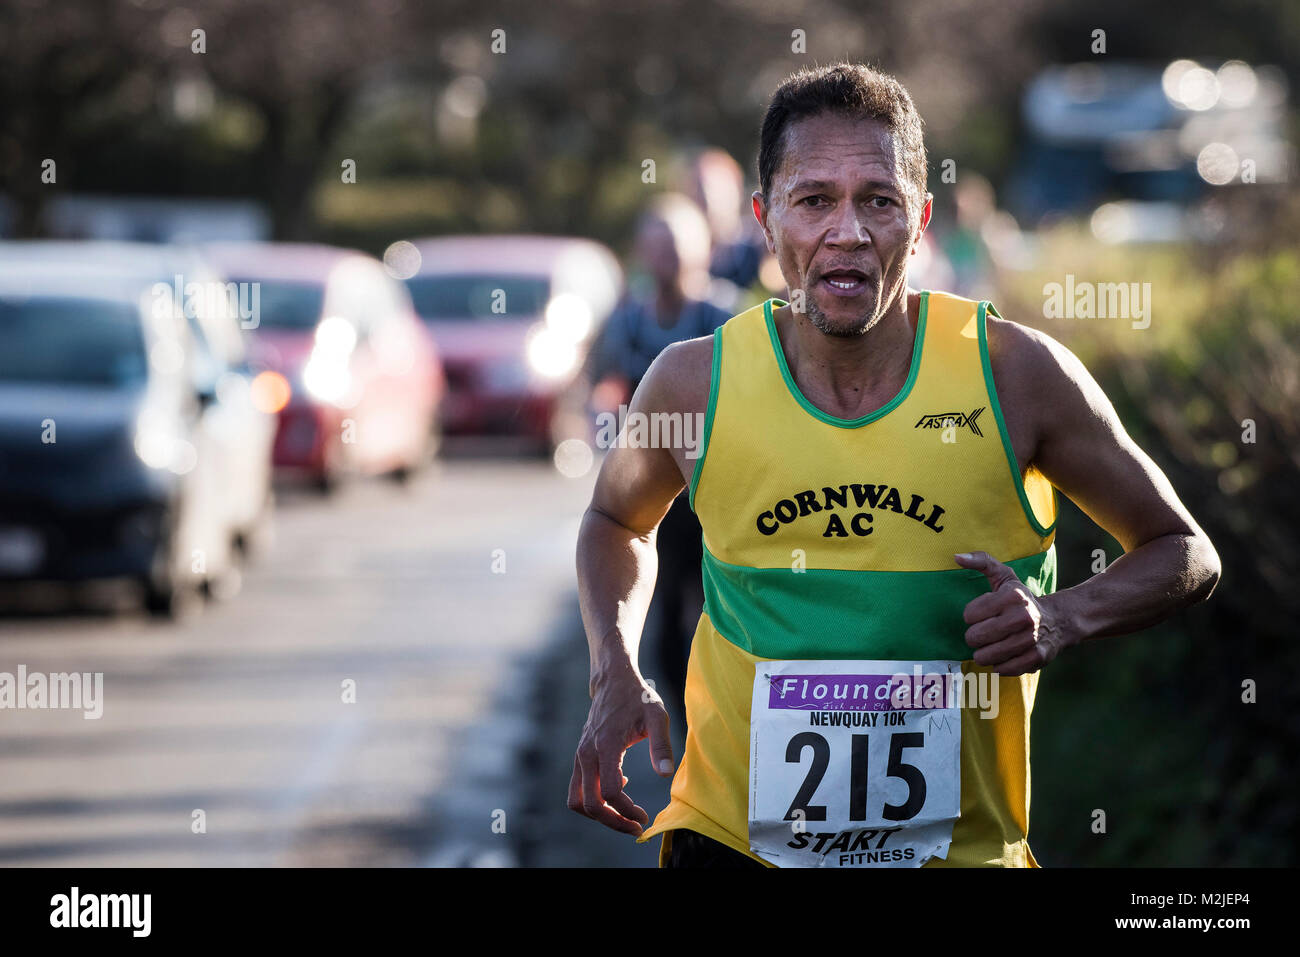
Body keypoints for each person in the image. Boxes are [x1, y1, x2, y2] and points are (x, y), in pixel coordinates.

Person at [567, 63, 1220, 868]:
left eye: (879, 199)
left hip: (958, 854)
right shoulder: (694, 383)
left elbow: (1184, 550)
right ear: (766, 223)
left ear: (922, 221)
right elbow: (614, 522)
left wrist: (1062, 617)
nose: (848, 231)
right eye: (815, 201)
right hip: (731, 844)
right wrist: (614, 669)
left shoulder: (1016, 376)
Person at [585, 193, 731, 742]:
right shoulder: (625, 323)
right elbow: (600, 390)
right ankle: (687, 722)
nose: (668, 258)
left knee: (717, 610)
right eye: (659, 245)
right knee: (666, 615)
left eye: (679, 245)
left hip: (715, 496)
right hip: (655, 499)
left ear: (702, 250)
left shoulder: (725, 319)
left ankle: (725, 720)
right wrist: (611, 441)